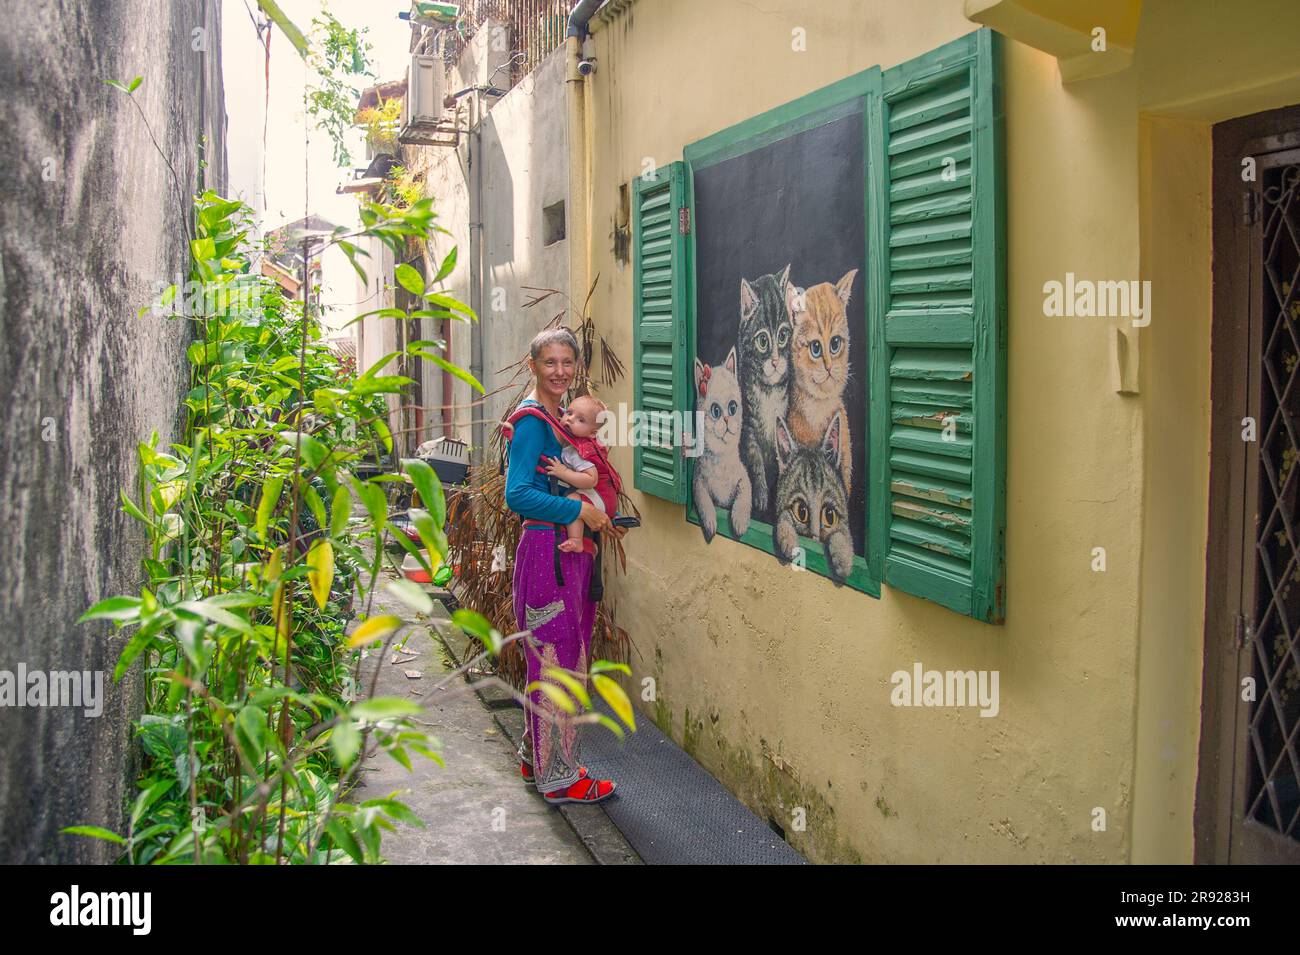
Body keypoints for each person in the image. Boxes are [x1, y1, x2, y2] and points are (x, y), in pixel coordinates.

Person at [502, 328, 625, 804]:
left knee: (553, 657)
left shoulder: (561, 420)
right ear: (532, 365)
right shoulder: (533, 422)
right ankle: (559, 777)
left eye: (567, 362)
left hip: (561, 552)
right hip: (547, 553)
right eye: (549, 362)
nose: (559, 371)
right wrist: (580, 512)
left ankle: (537, 758)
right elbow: (518, 494)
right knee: (558, 662)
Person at [544, 395, 622, 554]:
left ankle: (576, 540)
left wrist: (563, 472)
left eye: (581, 420)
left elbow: (591, 479)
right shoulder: (578, 443)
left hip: (600, 496)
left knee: (573, 500)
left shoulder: (579, 451)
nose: (570, 419)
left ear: (593, 433)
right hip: (604, 496)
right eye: (569, 412)